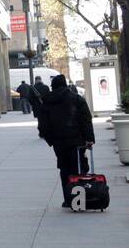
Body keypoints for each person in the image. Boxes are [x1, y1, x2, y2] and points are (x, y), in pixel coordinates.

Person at [36, 74, 95, 208]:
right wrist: (89, 139)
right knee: (79, 166)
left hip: (59, 142)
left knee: (64, 168)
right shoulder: (77, 99)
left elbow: (43, 126)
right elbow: (86, 120)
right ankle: (80, 198)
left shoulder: (47, 102)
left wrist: (51, 139)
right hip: (77, 140)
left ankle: (68, 199)